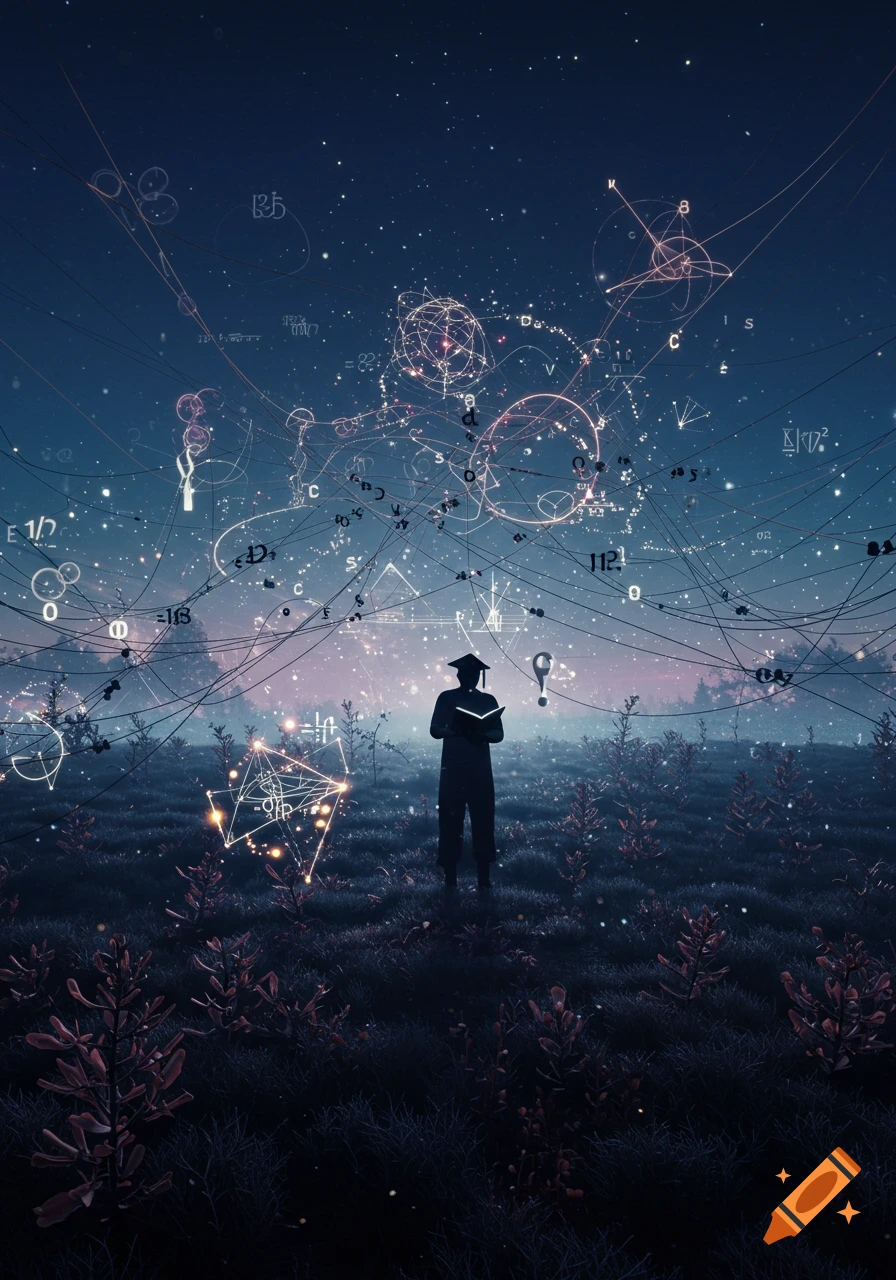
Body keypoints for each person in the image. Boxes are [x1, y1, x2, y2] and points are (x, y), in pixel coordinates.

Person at [429, 653, 504, 890]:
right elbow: (434, 729)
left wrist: (481, 734)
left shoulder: (489, 700)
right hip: (453, 770)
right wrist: (457, 732)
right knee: (451, 821)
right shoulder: (446, 698)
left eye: (472, 674)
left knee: (483, 820)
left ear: (478, 676)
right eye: (464, 673)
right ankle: (450, 880)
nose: (467, 677)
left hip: (479, 771)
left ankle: (484, 880)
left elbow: (498, 734)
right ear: (458, 675)